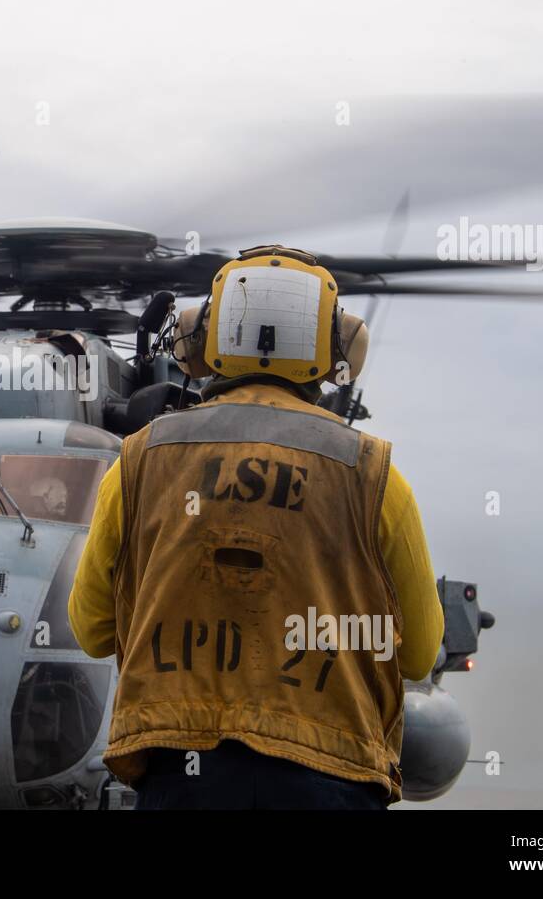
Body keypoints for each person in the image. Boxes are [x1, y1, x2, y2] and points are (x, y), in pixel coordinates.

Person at [68, 245, 444, 809]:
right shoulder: (375, 475)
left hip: (181, 777)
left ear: (196, 341)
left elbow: (91, 629)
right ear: (342, 349)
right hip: (327, 778)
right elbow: (418, 653)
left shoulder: (140, 462)